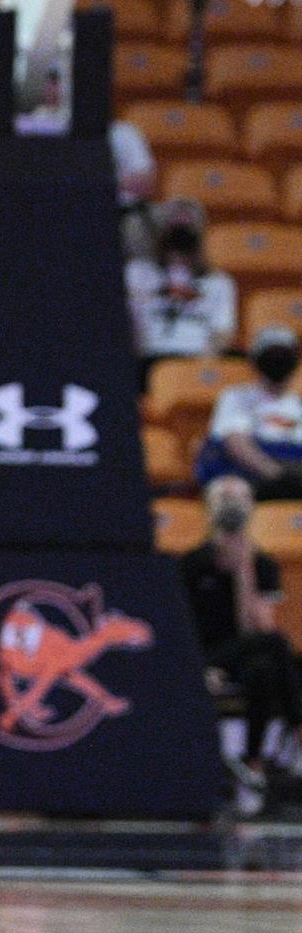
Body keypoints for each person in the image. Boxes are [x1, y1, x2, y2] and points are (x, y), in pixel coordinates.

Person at [180, 475, 296, 817]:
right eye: (224, 498)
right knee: (276, 646)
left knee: (264, 666)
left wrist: (243, 572)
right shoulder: (191, 563)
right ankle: (299, 726)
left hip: (243, 655)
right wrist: (201, 668)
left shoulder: (262, 564)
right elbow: (182, 628)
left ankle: (252, 766)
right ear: (209, 507)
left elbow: (255, 629)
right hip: (203, 656)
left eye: (240, 498)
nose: (232, 506)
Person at [126, 202, 236, 376]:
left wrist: (200, 367)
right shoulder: (138, 273)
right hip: (149, 358)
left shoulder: (218, 282)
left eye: (187, 229)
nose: (180, 237)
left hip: (194, 359)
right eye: (175, 227)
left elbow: (222, 332)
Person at [196, 326, 302, 498]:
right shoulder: (237, 397)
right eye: (271, 355)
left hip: (294, 472)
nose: (277, 361)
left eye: (284, 355)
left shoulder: (298, 404)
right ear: (255, 360)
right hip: (251, 474)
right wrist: (278, 475)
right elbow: (235, 443)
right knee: (231, 491)